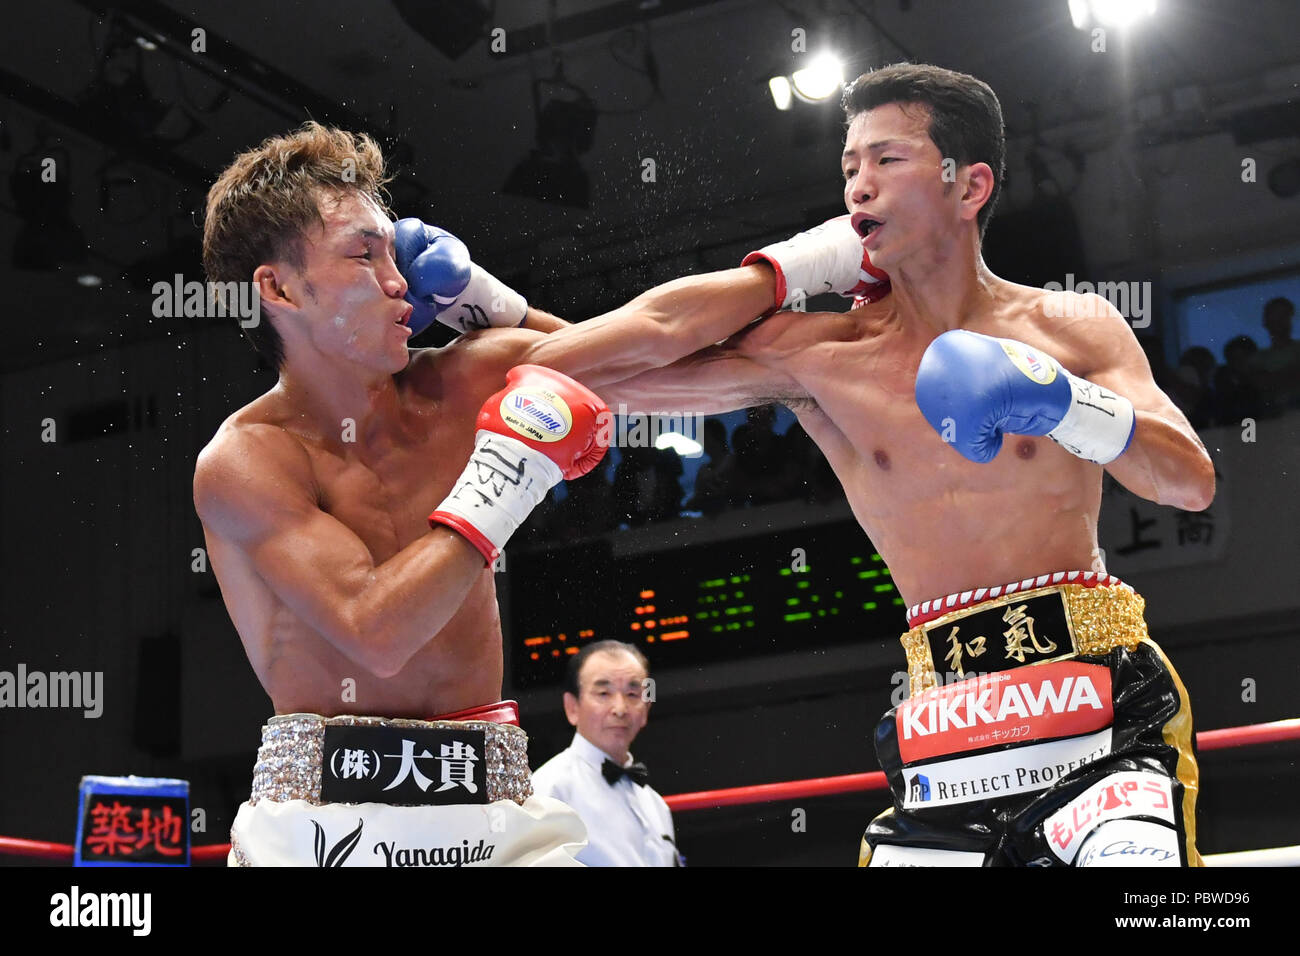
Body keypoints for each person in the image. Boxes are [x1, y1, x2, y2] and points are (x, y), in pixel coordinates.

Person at [193, 123, 878, 866]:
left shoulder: (458, 382)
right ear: (280, 286)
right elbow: (377, 632)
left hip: (490, 802)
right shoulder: (247, 460)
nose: (399, 281)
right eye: (363, 254)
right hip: (324, 821)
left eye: (395, 250)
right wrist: (507, 472)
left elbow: (641, 350)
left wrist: (821, 257)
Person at [603, 63, 1213, 866]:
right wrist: (780, 272)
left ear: (971, 187)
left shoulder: (1072, 326)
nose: (859, 186)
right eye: (849, 168)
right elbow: (621, 368)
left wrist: (1065, 403)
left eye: (887, 160)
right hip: (946, 727)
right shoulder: (820, 353)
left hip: (1098, 702)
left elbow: (1189, 481)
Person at [531, 641, 678, 866]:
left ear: (646, 709)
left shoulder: (656, 805)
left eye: (632, 693)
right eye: (603, 693)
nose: (620, 709)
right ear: (572, 707)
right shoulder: (548, 789)